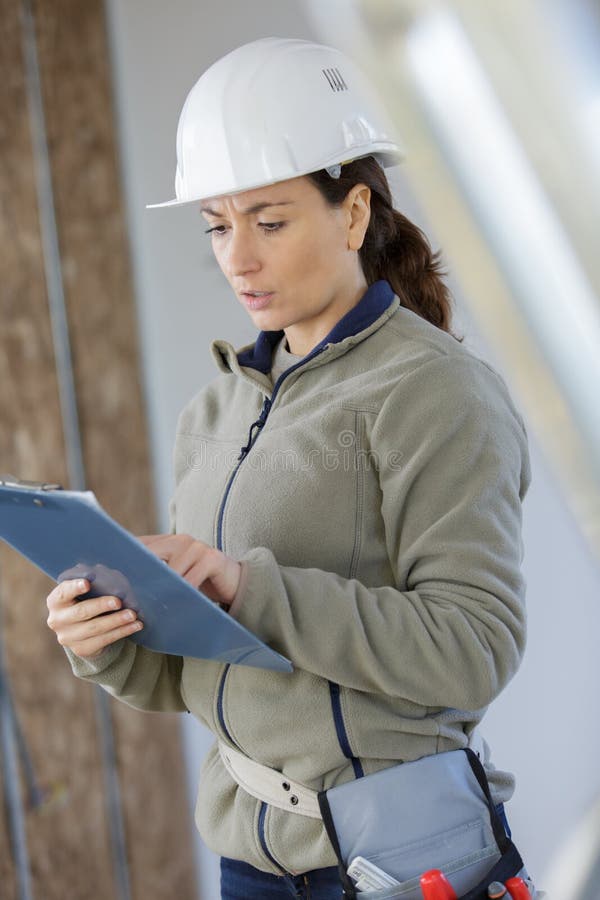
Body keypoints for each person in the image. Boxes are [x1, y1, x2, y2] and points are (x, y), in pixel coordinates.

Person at [45, 37, 533, 899]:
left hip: (394, 860)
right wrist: (109, 638)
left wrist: (250, 587)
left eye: (269, 222)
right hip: (252, 867)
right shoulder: (215, 411)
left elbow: (474, 647)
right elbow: (202, 673)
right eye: (217, 225)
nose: (238, 257)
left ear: (353, 214)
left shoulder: (434, 391)